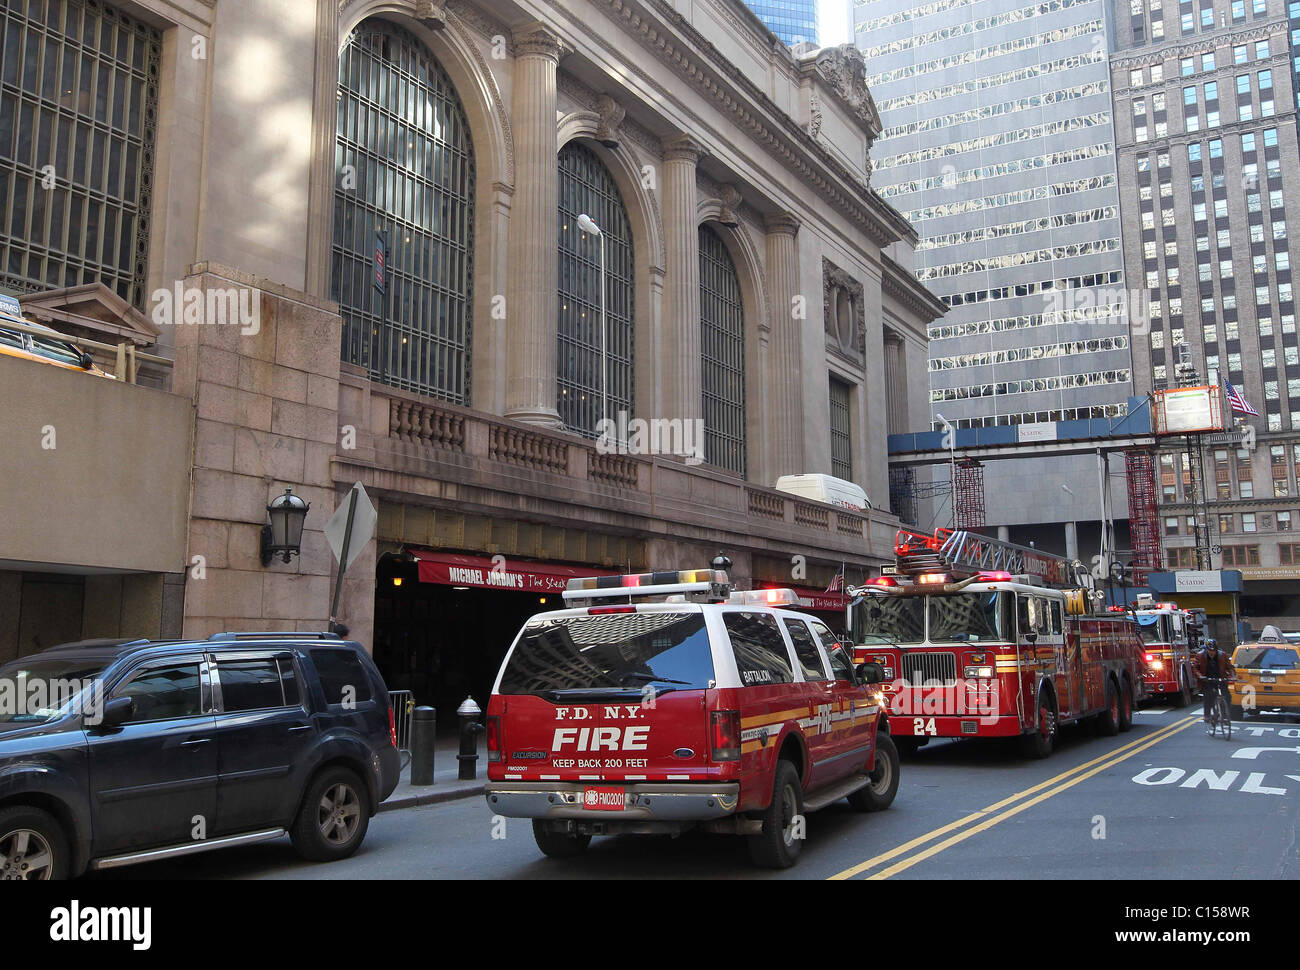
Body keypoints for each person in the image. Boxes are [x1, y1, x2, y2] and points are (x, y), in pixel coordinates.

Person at [1191, 639, 1235, 732]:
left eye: (1213, 651)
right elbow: (1195, 668)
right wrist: (1200, 676)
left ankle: (1225, 716)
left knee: (1227, 696)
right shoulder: (1200, 656)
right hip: (1207, 680)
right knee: (1209, 695)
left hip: (1221, 678)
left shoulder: (1222, 655)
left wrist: (1232, 676)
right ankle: (1207, 715)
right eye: (1210, 651)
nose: (1212, 653)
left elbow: (1230, 667)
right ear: (1206, 650)